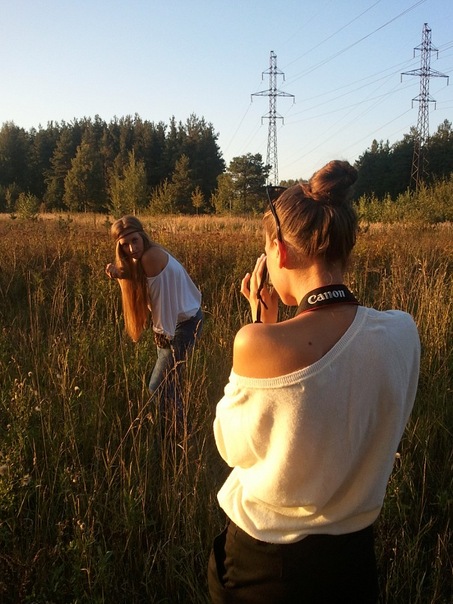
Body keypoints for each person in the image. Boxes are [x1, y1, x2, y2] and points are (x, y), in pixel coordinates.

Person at [207, 160, 420, 603]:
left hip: (268, 566)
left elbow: (232, 447)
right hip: (353, 562)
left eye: (266, 251)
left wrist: (261, 327)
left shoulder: (255, 342)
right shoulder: (403, 332)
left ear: (280, 252)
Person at [105, 215, 203, 429]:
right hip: (183, 320)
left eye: (134, 241)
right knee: (170, 385)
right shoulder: (144, 257)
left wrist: (162, 335)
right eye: (125, 245)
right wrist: (121, 274)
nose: (132, 248)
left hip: (183, 325)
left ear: (143, 236)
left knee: (157, 386)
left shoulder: (151, 257)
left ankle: (172, 433)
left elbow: (162, 304)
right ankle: (177, 433)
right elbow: (139, 276)